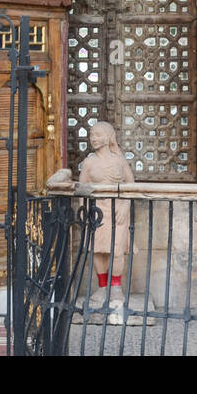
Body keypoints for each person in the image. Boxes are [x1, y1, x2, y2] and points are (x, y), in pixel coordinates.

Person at [79, 120, 135, 308]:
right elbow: (83, 189)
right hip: (97, 211)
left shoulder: (119, 160)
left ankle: (116, 286)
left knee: (116, 250)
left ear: (108, 137)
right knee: (98, 250)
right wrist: (85, 212)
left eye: (97, 135)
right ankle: (102, 287)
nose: (93, 138)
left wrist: (126, 205)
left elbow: (130, 185)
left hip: (118, 210)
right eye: (91, 135)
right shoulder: (89, 162)